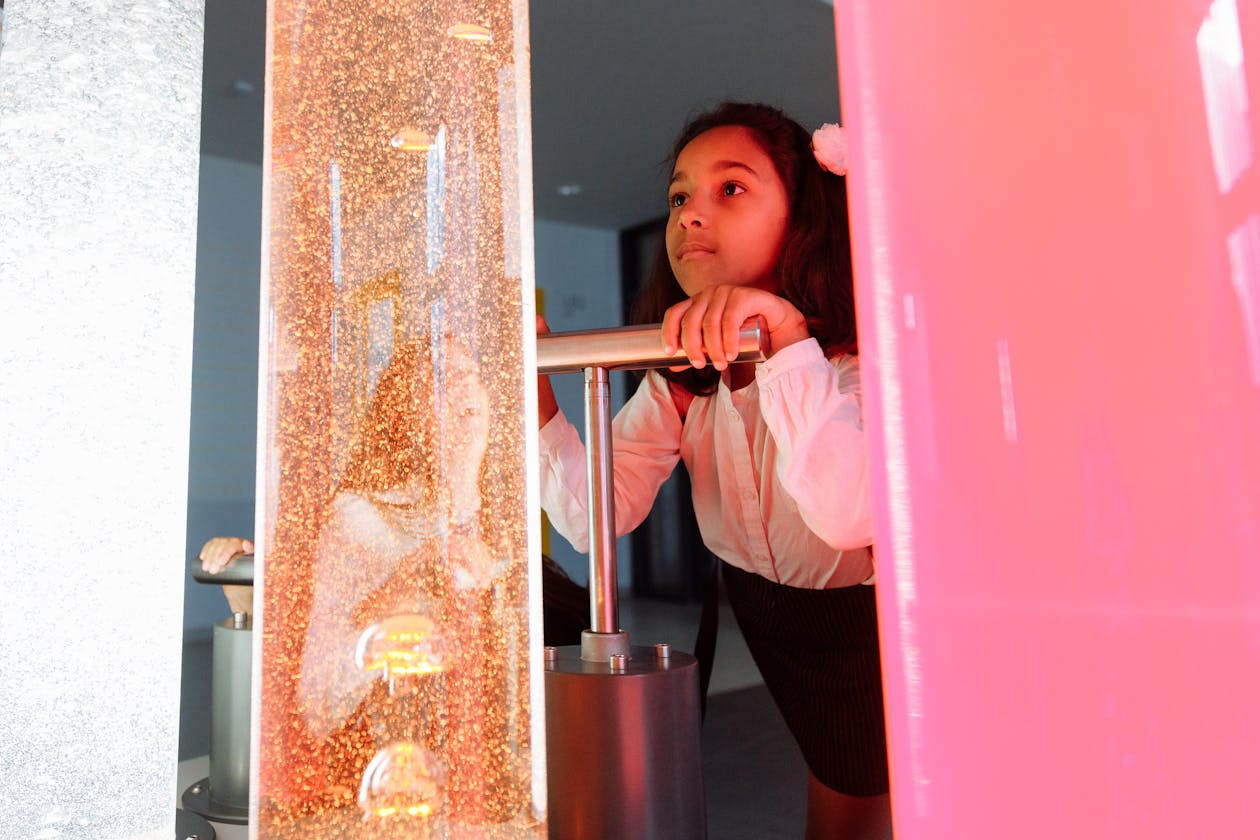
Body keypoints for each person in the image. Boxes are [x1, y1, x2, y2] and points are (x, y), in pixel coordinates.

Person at [537, 102, 890, 839]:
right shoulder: (683, 380)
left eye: (731, 188)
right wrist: (537, 393)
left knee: (864, 803)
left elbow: (846, 515)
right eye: (678, 197)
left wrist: (784, 336)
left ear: (802, 218)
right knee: (834, 789)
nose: (691, 215)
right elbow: (594, 515)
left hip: (862, 629)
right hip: (764, 613)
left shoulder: (857, 363)